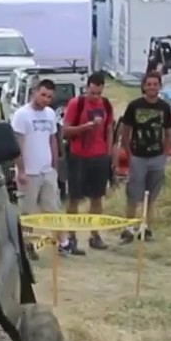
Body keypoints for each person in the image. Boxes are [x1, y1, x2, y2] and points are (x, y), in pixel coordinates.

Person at [11, 79, 68, 256]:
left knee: (53, 208)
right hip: (29, 172)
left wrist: (55, 166)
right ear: (35, 92)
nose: (45, 99)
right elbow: (17, 145)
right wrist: (21, 170)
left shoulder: (50, 114)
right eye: (43, 95)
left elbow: (53, 140)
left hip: (46, 170)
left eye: (49, 97)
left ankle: (63, 242)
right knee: (27, 212)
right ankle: (27, 245)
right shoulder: (22, 115)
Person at [116, 70, 171, 243]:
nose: (152, 87)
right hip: (138, 156)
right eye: (149, 84)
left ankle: (146, 227)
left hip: (157, 157)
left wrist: (165, 153)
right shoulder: (134, 106)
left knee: (151, 195)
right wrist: (129, 152)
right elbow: (125, 131)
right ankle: (128, 228)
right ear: (143, 86)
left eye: (155, 84)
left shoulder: (164, 107)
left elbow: (169, 132)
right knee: (134, 194)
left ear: (159, 86)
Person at [62, 71, 116, 253]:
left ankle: (95, 234)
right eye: (92, 93)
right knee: (74, 198)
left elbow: (109, 130)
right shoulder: (76, 104)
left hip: (99, 157)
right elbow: (65, 131)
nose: (95, 97)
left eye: (99, 93)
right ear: (87, 88)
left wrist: (108, 154)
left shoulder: (106, 105)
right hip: (79, 156)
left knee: (97, 198)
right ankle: (71, 235)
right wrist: (85, 127)